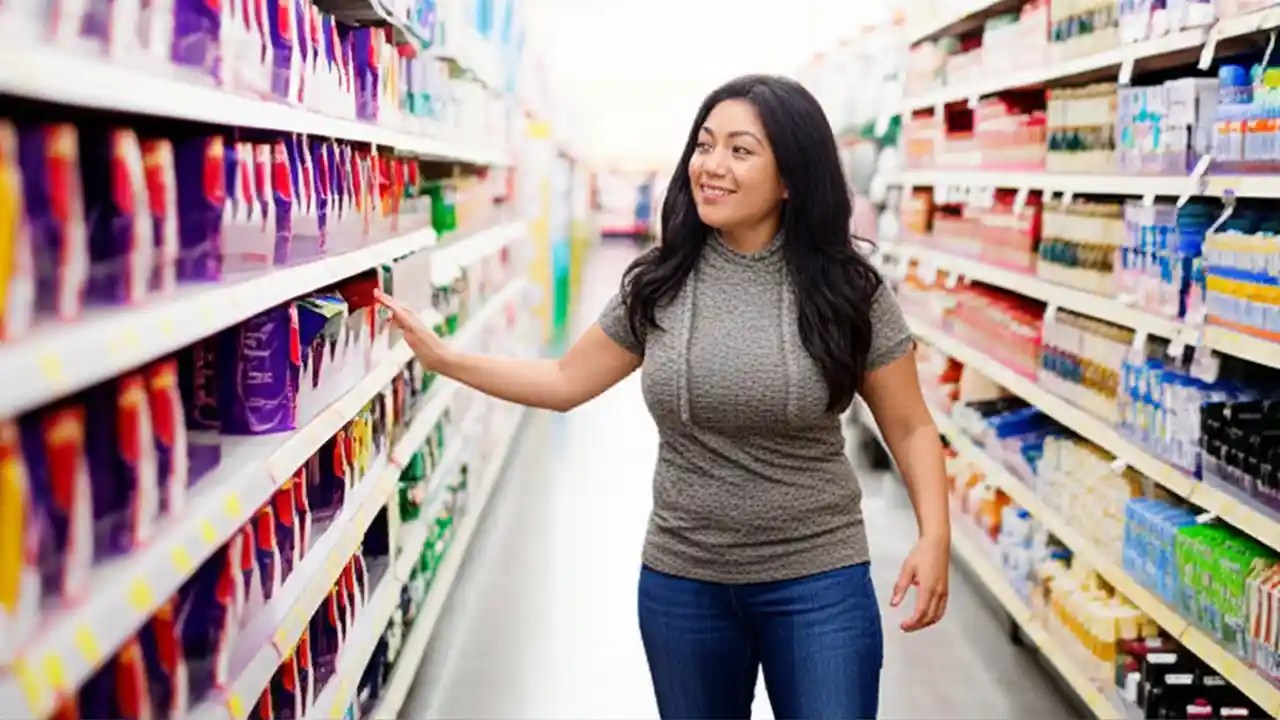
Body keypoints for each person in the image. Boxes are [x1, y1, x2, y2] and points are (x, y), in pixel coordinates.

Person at [374, 74, 950, 720]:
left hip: (818, 579)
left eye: (740, 150)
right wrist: (446, 359)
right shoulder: (660, 282)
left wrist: (935, 535)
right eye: (704, 145)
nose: (712, 165)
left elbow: (910, 426)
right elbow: (565, 381)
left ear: (791, 178)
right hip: (685, 582)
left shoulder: (847, 290)